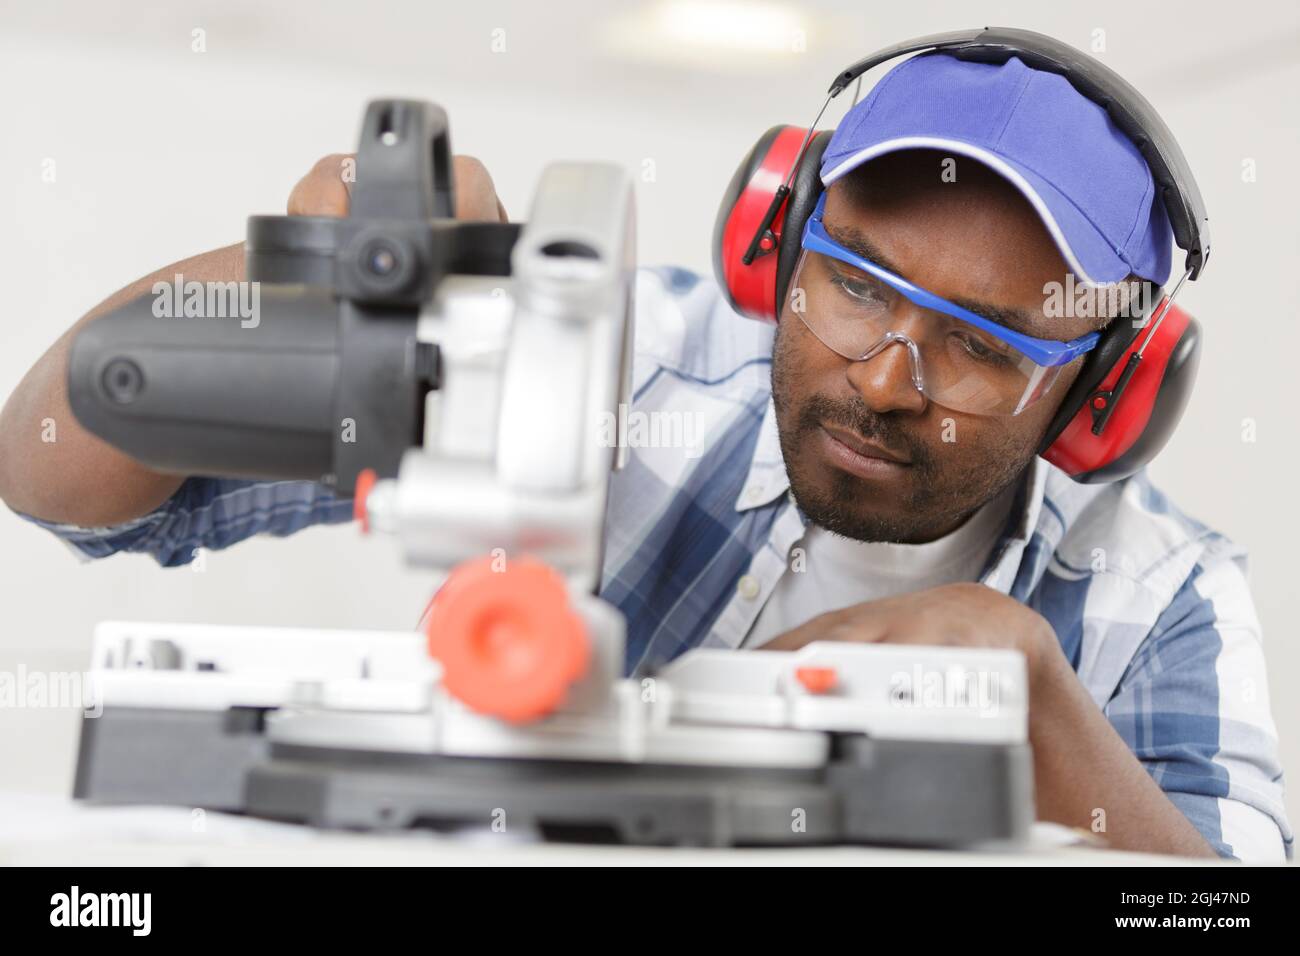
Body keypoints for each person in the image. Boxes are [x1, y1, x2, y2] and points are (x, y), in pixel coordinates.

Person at [0, 49, 1288, 861]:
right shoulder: (619, 362)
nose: (890, 381)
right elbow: (54, 477)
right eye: (853, 289)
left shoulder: (1160, 596)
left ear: (1104, 393)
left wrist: (1037, 694)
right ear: (770, 250)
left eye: (986, 349)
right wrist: (298, 289)